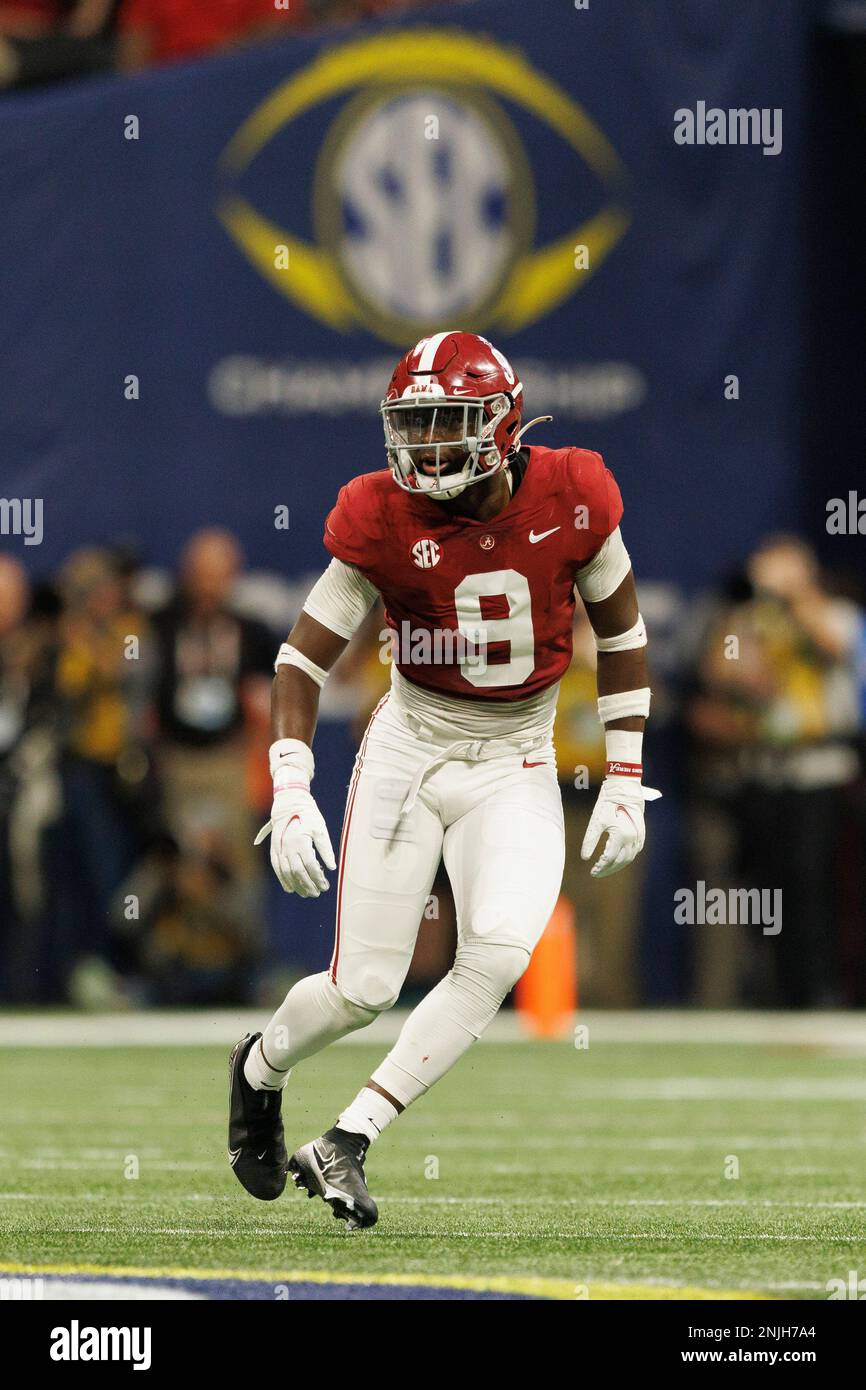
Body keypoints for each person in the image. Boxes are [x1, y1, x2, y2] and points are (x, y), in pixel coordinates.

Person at [227, 330, 659, 1229]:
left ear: (502, 423)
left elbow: (621, 637)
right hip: (411, 747)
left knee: (499, 952)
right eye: (413, 425)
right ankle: (259, 1067)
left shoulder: (574, 491)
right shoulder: (379, 512)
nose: (425, 446)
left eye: (446, 423)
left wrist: (624, 773)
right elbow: (301, 661)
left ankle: (350, 1135)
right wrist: (293, 783)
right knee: (363, 989)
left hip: (519, 754)